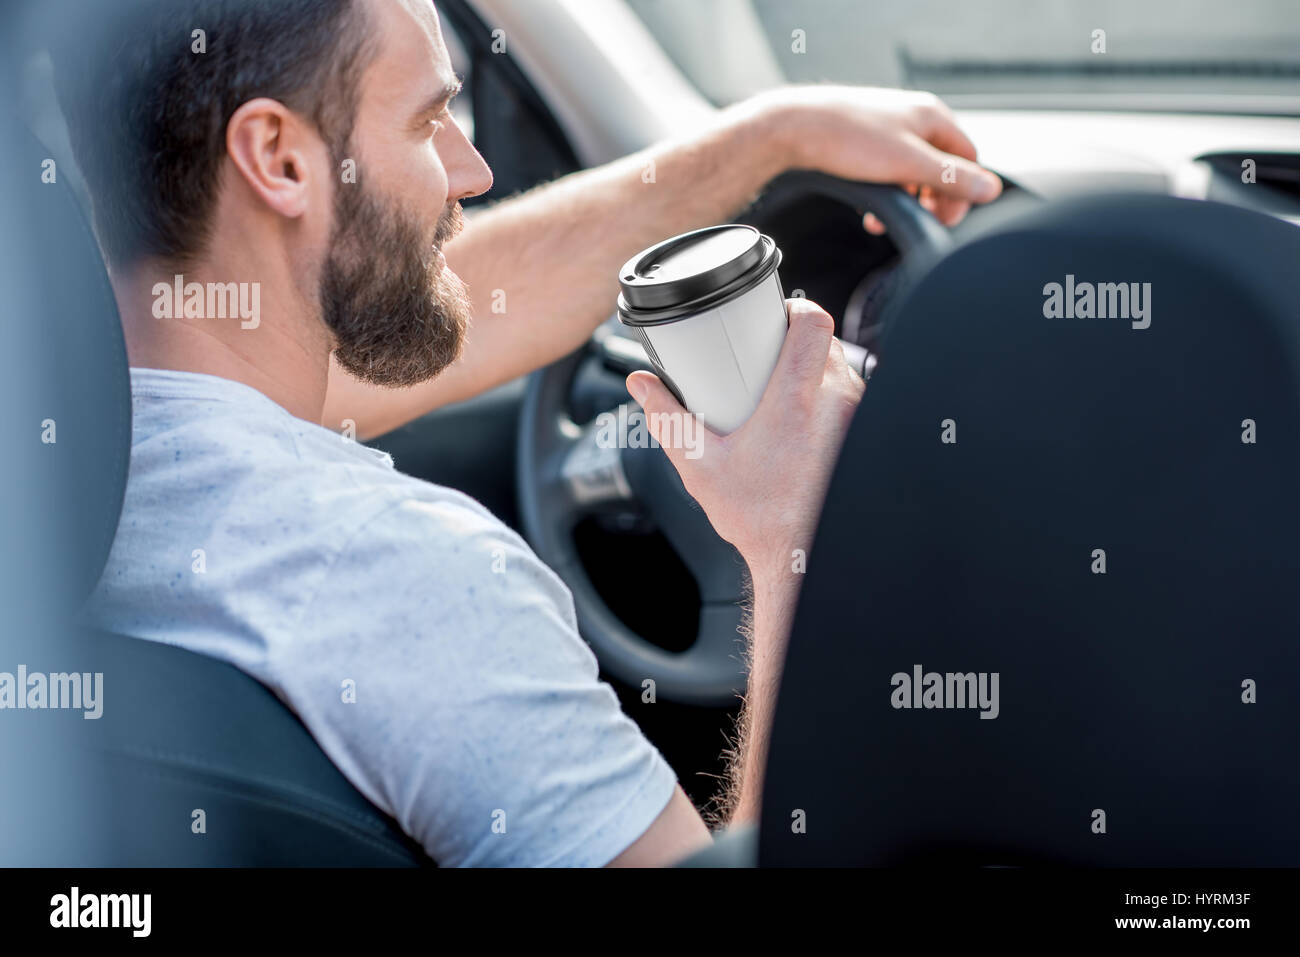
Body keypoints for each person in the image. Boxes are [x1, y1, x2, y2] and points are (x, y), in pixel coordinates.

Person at [58, 0, 1001, 866]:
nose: (474, 173)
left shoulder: (59, 468)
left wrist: (770, 139)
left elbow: (451, 310)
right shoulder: (407, 579)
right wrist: (798, 535)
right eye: (431, 123)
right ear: (280, 159)